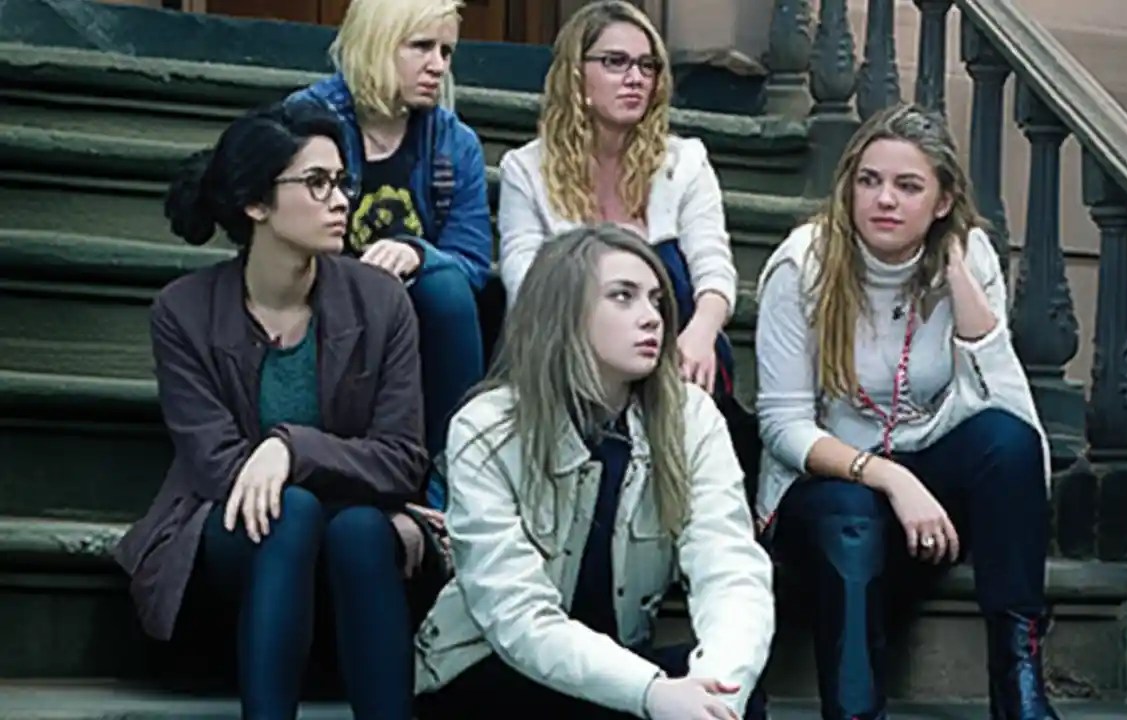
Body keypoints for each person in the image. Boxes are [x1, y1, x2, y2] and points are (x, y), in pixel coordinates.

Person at [113, 101, 444, 720]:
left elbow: (403, 459)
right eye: (316, 183)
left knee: (358, 528)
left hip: (356, 541)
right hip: (235, 537)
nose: (341, 199)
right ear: (256, 204)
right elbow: (215, 469)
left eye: (342, 181)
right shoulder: (183, 311)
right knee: (290, 512)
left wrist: (290, 446)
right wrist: (295, 467)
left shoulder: (381, 301)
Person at [754, 103, 1059, 720]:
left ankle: (1020, 686)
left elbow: (1011, 411)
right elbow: (783, 428)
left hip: (931, 473)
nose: (884, 199)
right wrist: (893, 478)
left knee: (1008, 442)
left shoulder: (968, 257)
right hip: (829, 487)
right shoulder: (802, 266)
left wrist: (964, 290)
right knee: (851, 512)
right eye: (869, 181)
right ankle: (855, 709)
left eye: (908, 185)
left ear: (943, 202)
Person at [414, 225, 774, 720]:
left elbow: (730, 569)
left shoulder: (690, 416)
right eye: (622, 297)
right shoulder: (487, 428)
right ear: (563, 312)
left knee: (733, 696)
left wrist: (721, 696)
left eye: (654, 300)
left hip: (621, 669)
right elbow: (518, 618)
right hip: (495, 669)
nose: (651, 317)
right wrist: (651, 693)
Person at [286, 0, 491, 511]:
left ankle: (450, 478)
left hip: (414, 316)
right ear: (375, 44)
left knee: (448, 288)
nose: (438, 65)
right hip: (324, 301)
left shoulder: (454, 143)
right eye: (421, 46)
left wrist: (415, 253)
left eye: (446, 51)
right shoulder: (307, 121)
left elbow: (472, 260)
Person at [496, 0, 737, 402]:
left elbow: (714, 269)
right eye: (615, 62)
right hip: (563, 344)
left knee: (673, 275)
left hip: (667, 346)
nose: (635, 78)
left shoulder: (685, 162)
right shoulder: (526, 169)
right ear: (576, 76)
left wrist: (700, 332)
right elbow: (524, 283)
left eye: (647, 66)